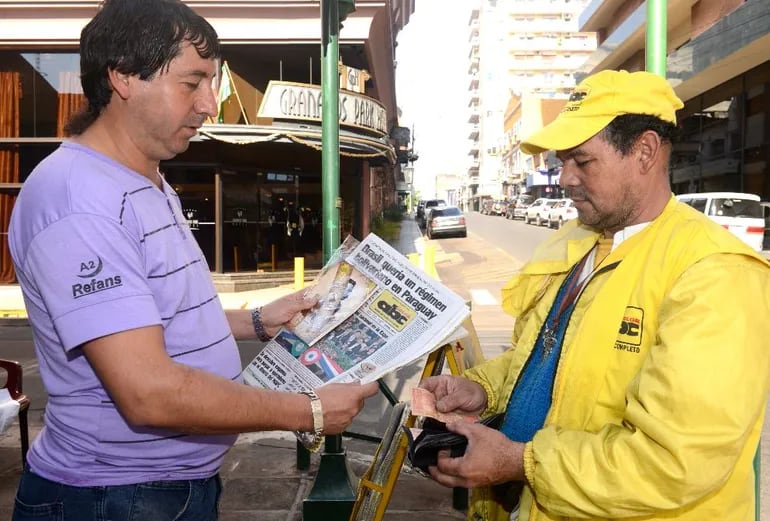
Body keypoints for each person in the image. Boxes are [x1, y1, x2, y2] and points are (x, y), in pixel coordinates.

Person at [7, 0, 378, 519]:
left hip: (163, 487)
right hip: (115, 497)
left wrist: (255, 321)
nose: (209, 103)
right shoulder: (80, 201)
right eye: (193, 82)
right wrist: (310, 410)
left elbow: (153, 318)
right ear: (123, 79)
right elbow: (149, 393)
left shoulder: (145, 179)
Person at [420, 69, 770, 521]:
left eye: (582, 162)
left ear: (644, 151)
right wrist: (482, 390)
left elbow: (674, 462)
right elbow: (547, 355)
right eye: (563, 160)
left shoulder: (714, 273)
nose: (564, 178)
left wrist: (519, 461)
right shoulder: (582, 243)